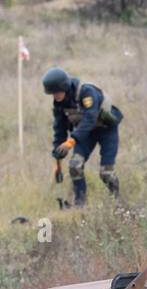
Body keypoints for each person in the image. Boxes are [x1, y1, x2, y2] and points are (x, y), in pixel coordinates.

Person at [43, 67, 122, 206]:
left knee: (106, 173)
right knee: (75, 166)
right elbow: (59, 128)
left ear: (65, 87)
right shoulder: (59, 104)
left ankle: (117, 202)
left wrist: (72, 140)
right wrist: (57, 158)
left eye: (57, 92)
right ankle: (80, 204)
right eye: (52, 93)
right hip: (85, 134)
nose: (55, 96)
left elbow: (90, 118)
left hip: (106, 130)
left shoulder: (86, 92)